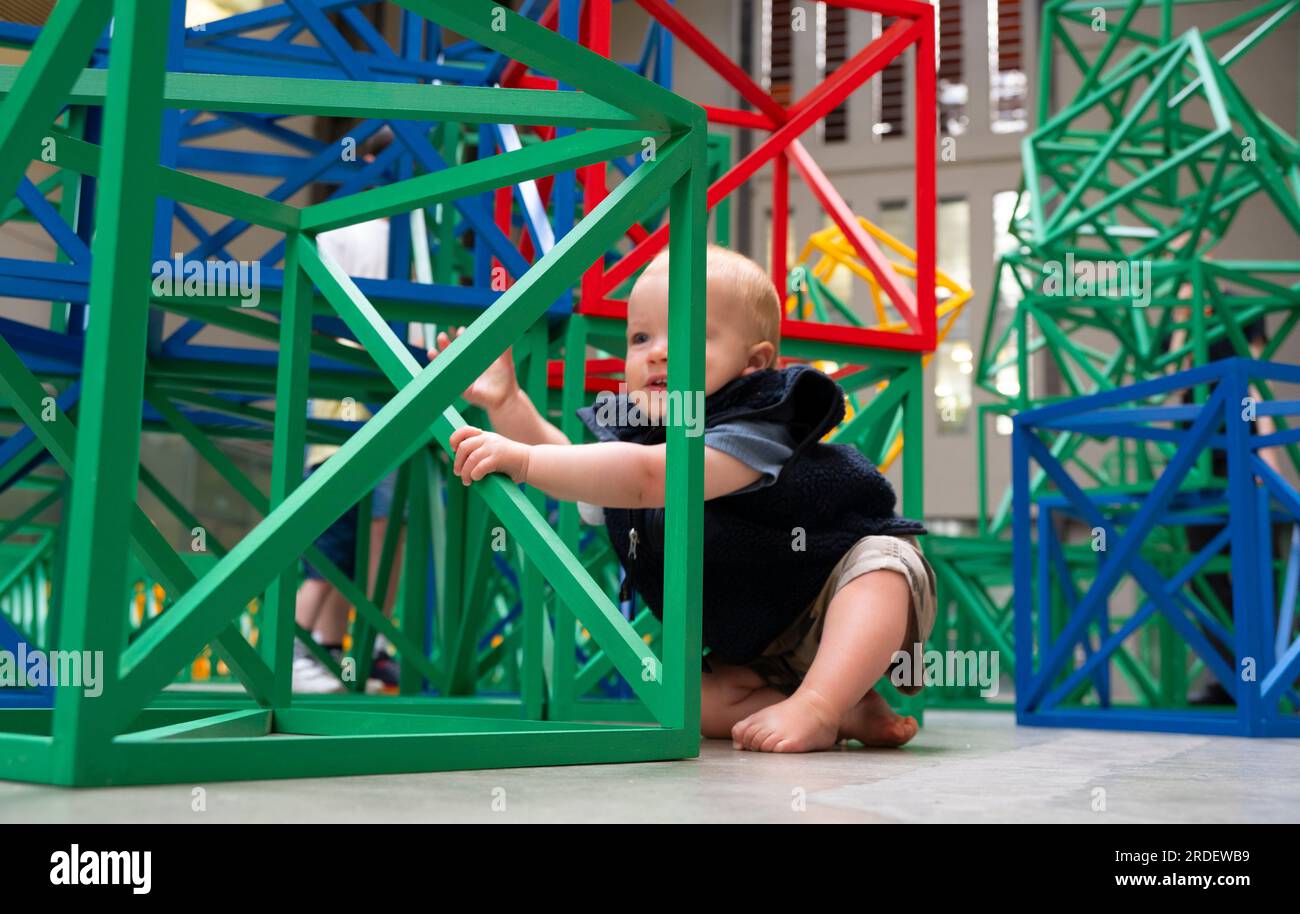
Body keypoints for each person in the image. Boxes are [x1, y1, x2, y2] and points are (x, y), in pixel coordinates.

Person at [431, 245, 937, 752]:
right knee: (680, 698)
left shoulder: (756, 423)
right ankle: (846, 710)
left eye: (688, 334)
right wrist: (508, 403)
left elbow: (651, 477)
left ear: (754, 363)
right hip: (757, 647)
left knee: (885, 566)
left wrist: (521, 461)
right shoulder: (639, 440)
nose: (656, 352)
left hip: (832, 594)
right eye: (640, 337)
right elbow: (580, 466)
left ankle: (820, 704)